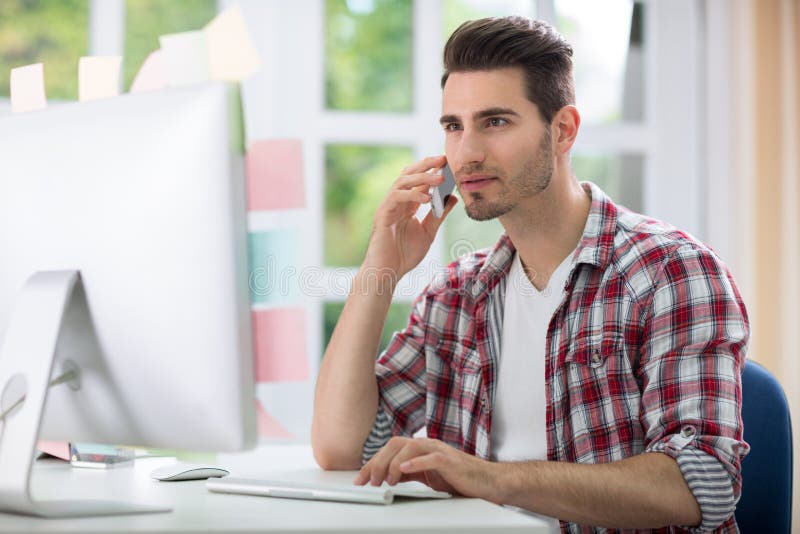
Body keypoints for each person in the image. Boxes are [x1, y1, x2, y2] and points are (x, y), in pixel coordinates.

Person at [312, 16, 749, 533]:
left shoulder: (670, 271)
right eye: (454, 125)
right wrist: (380, 268)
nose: (467, 152)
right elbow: (343, 447)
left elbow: (701, 485)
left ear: (562, 130)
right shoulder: (458, 294)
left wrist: (490, 478)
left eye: (495, 121)